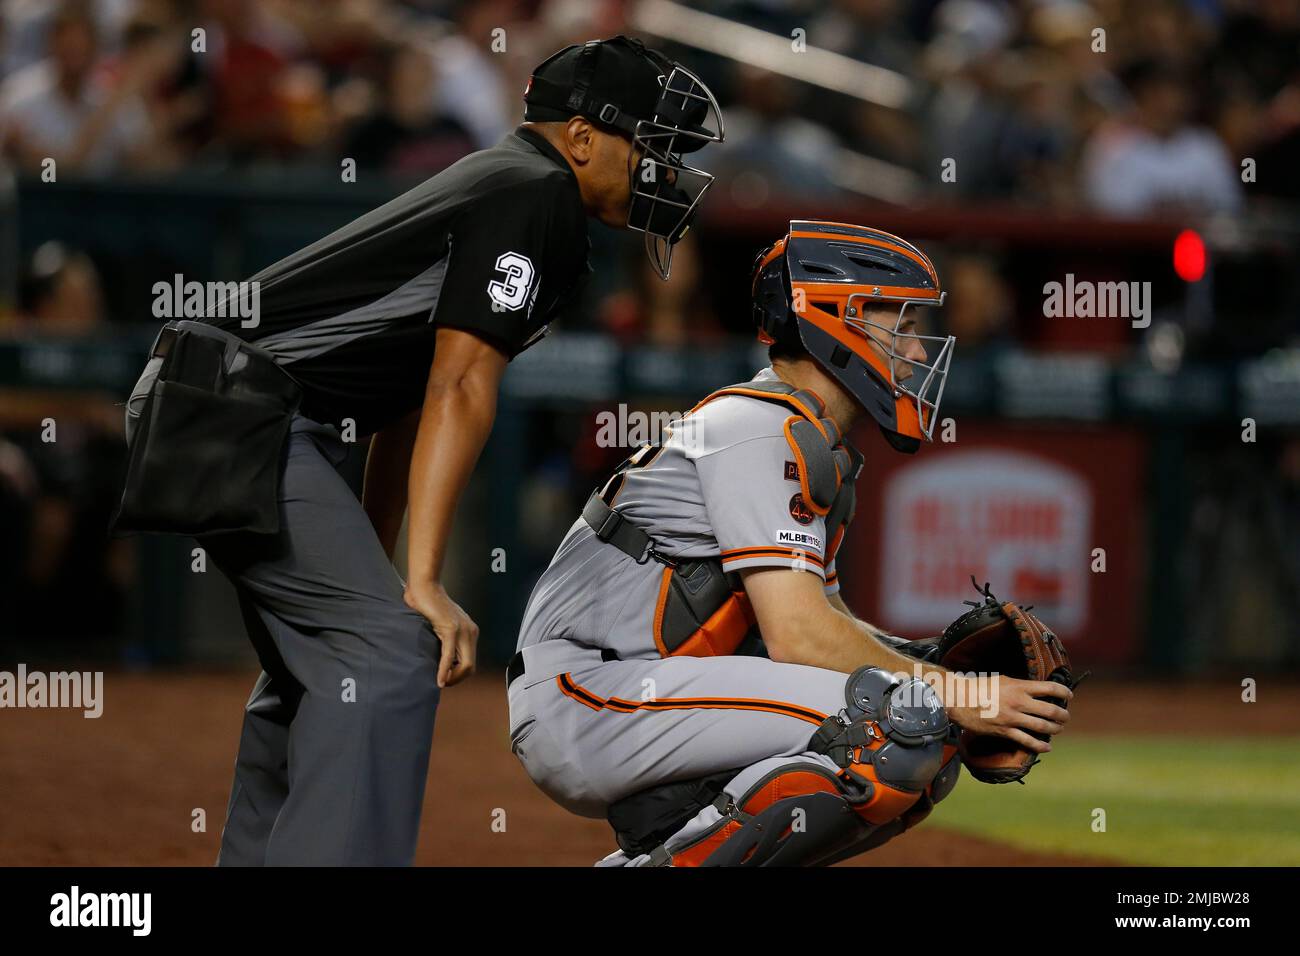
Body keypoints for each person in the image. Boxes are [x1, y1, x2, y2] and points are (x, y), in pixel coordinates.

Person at [113, 34, 722, 866]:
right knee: (391, 657)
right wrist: (427, 584)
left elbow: (405, 404)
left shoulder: (521, 188)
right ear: (581, 137)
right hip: (238, 408)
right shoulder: (534, 191)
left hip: (228, 401)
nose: (665, 169)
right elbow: (461, 388)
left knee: (334, 661)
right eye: (650, 145)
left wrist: (390, 566)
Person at [507, 221, 1074, 866]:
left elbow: (820, 631)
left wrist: (914, 660)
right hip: (587, 693)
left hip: (639, 688)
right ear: (839, 320)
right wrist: (958, 691)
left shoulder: (804, 436)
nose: (918, 352)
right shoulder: (758, 428)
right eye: (902, 324)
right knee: (895, 724)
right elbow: (799, 638)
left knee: (927, 736)